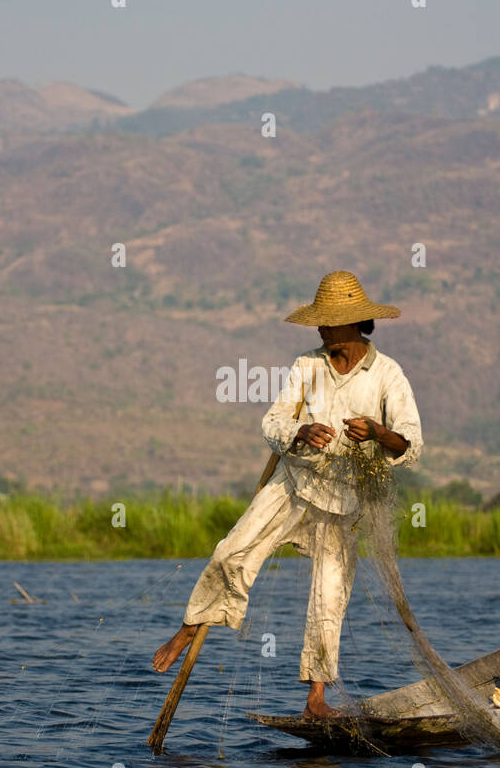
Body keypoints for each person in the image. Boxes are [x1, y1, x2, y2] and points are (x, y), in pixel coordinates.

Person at [151, 270, 423, 718]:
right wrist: (300, 432)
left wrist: (377, 432)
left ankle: (316, 697)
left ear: (354, 324)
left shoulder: (387, 375)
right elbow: (272, 423)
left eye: (328, 322)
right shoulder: (306, 366)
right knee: (232, 552)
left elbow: (410, 445)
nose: (320, 329)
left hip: (344, 501)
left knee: (329, 596)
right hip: (293, 485)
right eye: (319, 322)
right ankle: (190, 625)